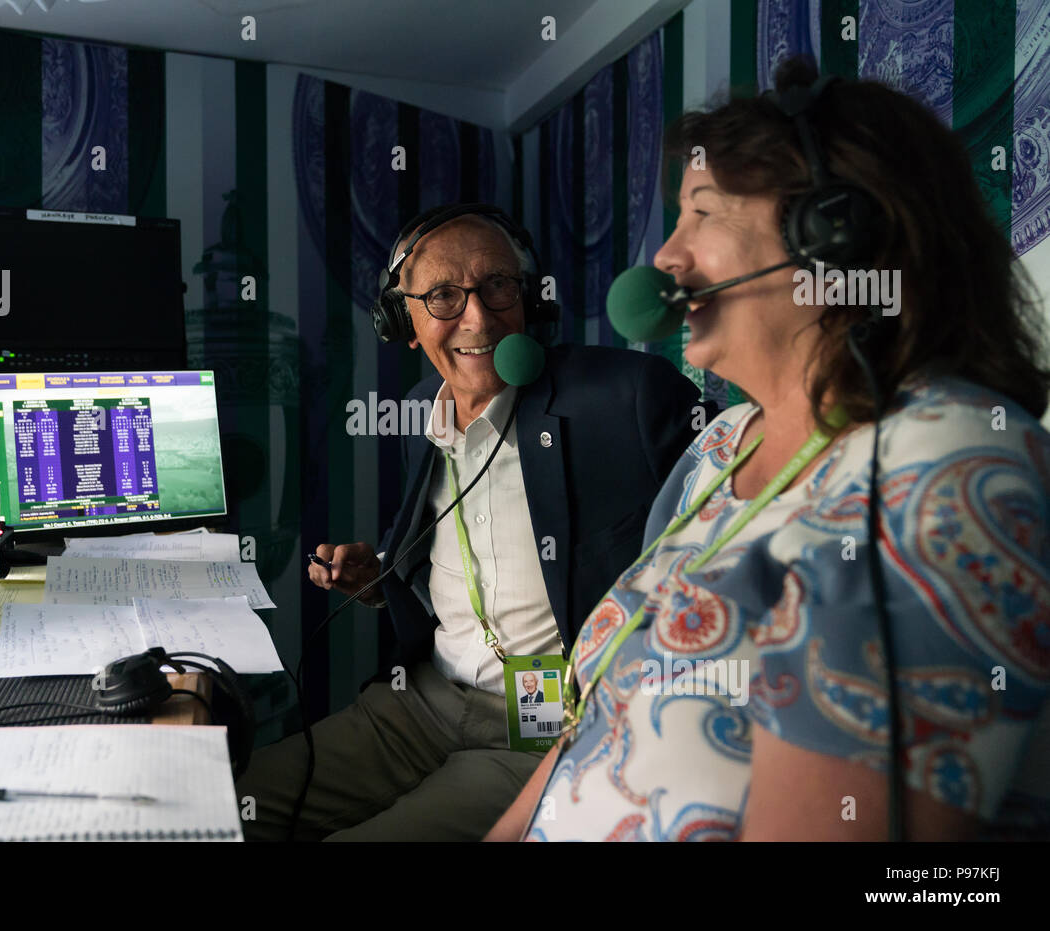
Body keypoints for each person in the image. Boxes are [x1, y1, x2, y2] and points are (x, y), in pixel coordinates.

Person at [489, 57, 1050, 842]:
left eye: (702, 214)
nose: (664, 259)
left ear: (834, 238)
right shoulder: (721, 445)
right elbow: (600, 711)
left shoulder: (944, 464)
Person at [237, 203, 710, 840]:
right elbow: (457, 561)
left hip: (538, 735)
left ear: (530, 301)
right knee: (225, 804)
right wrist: (378, 581)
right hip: (418, 702)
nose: (479, 317)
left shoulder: (622, 396)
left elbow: (731, 519)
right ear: (403, 321)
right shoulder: (416, 414)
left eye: (498, 286)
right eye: (442, 296)